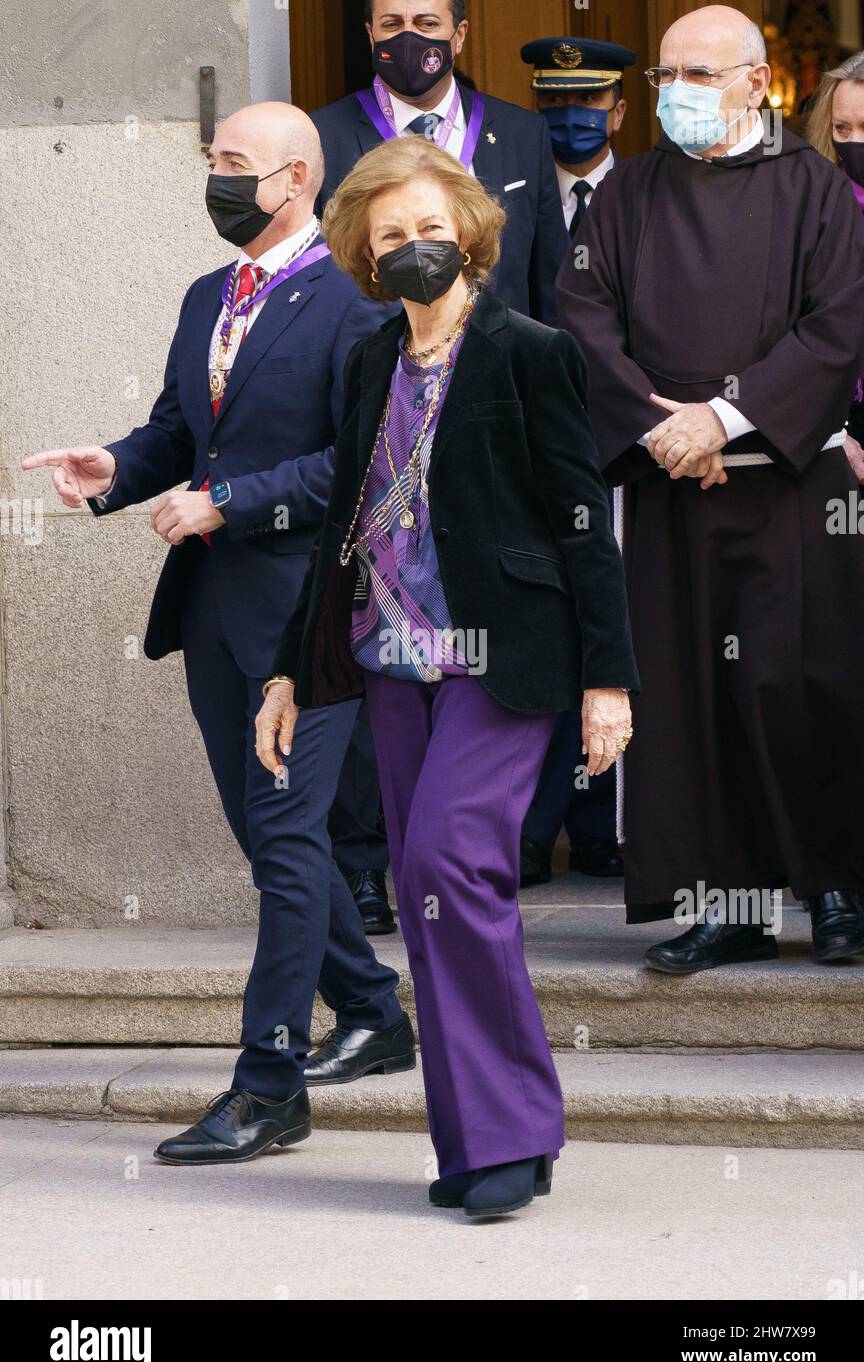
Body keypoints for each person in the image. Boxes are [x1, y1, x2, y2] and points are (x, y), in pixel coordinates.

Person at [23, 103, 415, 1165]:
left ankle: (269, 1082)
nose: (215, 178)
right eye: (212, 161)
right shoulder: (209, 296)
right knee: (265, 836)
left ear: (293, 180)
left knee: (289, 840)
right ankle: (374, 1010)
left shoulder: (356, 301)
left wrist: (231, 499)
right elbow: (175, 431)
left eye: (231, 164)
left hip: (312, 614)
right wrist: (114, 468)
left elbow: (363, 463)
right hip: (211, 609)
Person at [255, 136, 638, 1217]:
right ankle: (478, 1142)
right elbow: (339, 524)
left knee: (447, 862)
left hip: (501, 658)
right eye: (391, 237)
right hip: (388, 660)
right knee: (427, 898)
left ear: (466, 234)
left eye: (431, 230)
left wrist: (608, 680)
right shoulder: (370, 358)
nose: (414, 248)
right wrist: (290, 672)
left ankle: (512, 1128)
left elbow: (582, 529)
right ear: (365, 257)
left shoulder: (528, 352)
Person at [556, 5, 864, 972]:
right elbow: (581, 316)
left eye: (698, 73)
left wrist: (724, 419)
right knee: (688, 696)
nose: (676, 93)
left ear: (752, 80)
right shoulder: (628, 194)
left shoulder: (814, 190)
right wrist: (659, 428)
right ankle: (725, 903)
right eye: (665, 76)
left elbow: (836, 328)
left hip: (788, 489)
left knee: (801, 685)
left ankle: (838, 889)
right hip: (667, 487)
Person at [518, 36, 637, 886]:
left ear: (619, 110)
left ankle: (609, 825)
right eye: (554, 104)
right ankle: (533, 830)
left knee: (620, 626)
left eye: (588, 103)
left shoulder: (649, 194)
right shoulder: (514, 193)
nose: (571, 118)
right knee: (545, 627)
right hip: (533, 440)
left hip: (636, 443)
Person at [310, 0, 569, 327]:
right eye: (391, 25)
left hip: (501, 359)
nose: (408, 39)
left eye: (426, 24)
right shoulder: (323, 136)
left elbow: (551, 276)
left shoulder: (523, 132)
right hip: (377, 363)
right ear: (371, 36)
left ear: (459, 36)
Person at [807, 49, 864, 476]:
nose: (855, 142)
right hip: (841, 419)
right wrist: (834, 433)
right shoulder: (813, 208)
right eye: (843, 128)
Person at [520, 36, 636, 235]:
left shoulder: (642, 195)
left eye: (587, 98)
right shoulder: (517, 199)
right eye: (554, 99)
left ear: (618, 113)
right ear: (536, 110)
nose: (570, 116)